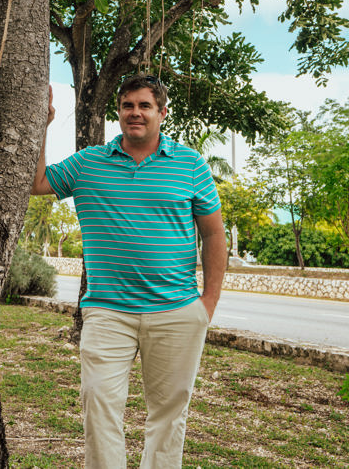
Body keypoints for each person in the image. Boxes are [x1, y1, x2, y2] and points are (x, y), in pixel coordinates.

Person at [31, 74, 226, 469]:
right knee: (98, 404)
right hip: (107, 312)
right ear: (118, 112)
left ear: (162, 113)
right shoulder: (88, 163)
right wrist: (43, 126)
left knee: (169, 414)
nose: (135, 113)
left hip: (176, 311)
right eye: (127, 106)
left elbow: (213, 233)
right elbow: (37, 183)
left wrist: (207, 303)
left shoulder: (190, 164)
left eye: (144, 105)